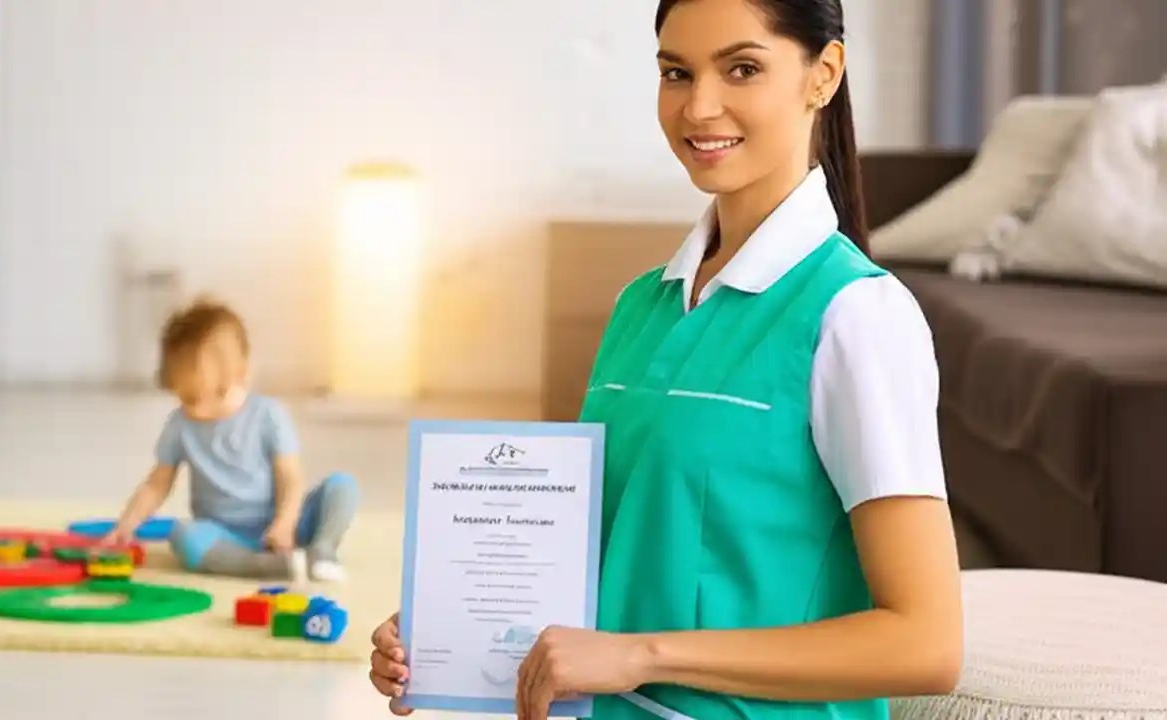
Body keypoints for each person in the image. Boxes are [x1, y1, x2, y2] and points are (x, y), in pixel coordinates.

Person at [369, 0, 963, 717]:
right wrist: (451, 635)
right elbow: (618, 557)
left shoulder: (858, 316)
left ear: (823, 74)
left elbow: (926, 645)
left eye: (742, 68)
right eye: (676, 73)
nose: (699, 107)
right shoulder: (639, 308)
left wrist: (642, 654)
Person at [101, 298, 359, 582]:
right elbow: (156, 484)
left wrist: (284, 524)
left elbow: (291, 478)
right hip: (225, 536)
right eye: (186, 398)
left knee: (342, 486)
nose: (195, 409)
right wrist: (126, 525)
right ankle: (268, 567)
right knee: (183, 535)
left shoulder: (268, 415)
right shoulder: (180, 424)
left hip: (285, 525)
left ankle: (322, 550)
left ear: (240, 375)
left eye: (203, 397)